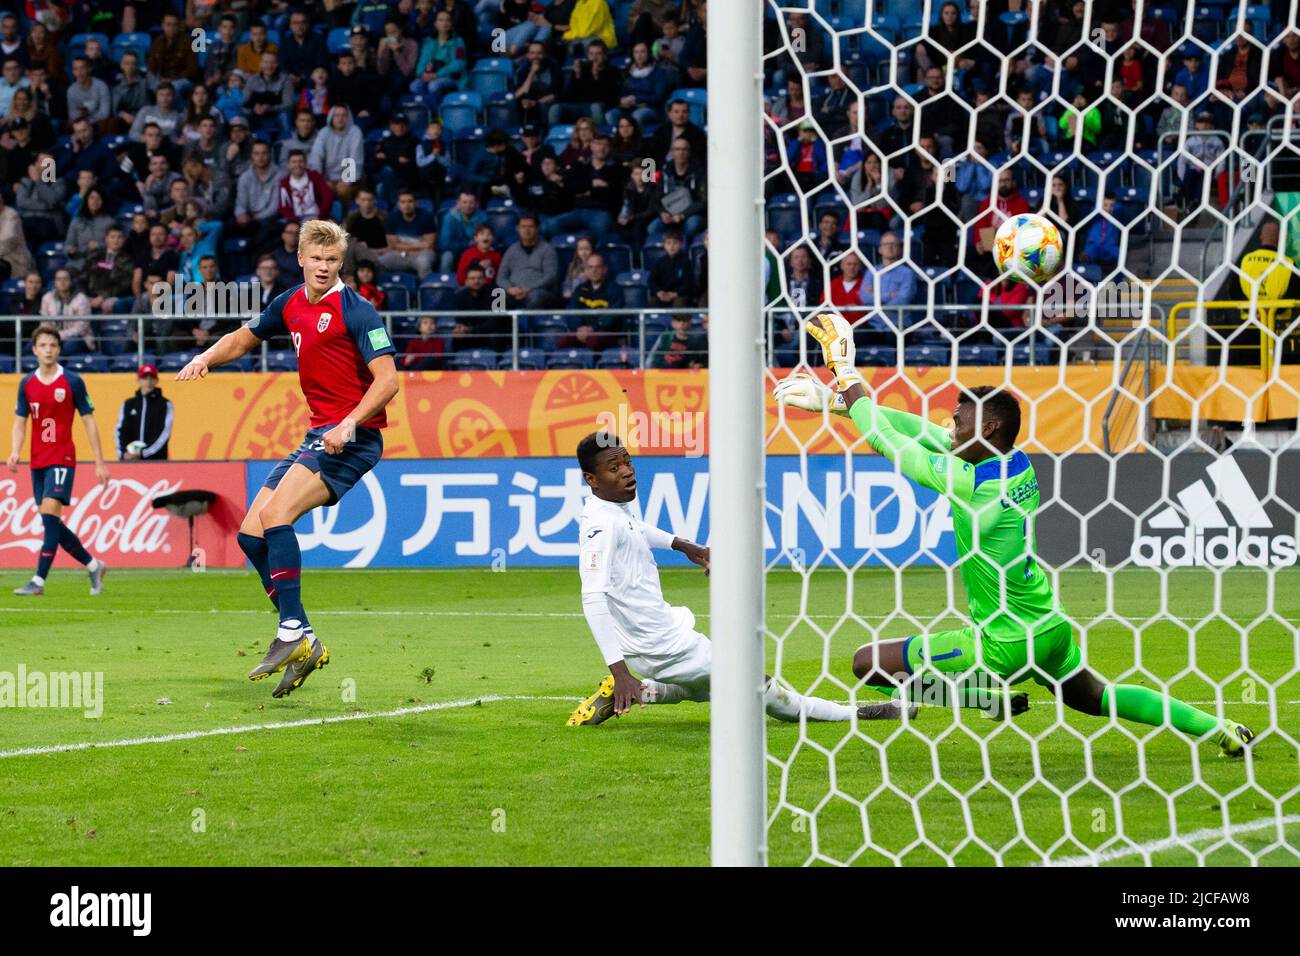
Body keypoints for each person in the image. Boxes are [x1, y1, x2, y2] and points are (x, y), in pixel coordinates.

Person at [775, 316, 1255, 757]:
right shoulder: (1013, 460)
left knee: (869, 665)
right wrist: (833, 404)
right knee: (1098, 697)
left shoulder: (973, 481)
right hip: (1049, 627)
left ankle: (982, 697)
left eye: (960, 420)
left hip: (1001, 643)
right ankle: (1219, 729)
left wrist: (844, 367)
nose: (951, 425)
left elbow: (893, 444)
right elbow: (917, 428)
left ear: (987, 426)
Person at [175, 219, 399, 699]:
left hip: (354, 439)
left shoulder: (357, 310)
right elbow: (242, 337)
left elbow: (388, 381)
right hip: (319, 433)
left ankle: (292, 631)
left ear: (342, 263)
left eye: (333, 260)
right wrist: (204, 359)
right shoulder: (290, 304)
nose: (324, 267)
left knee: (276, 515)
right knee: (252, 534)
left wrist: (349, 423)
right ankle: (308, 641)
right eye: (316, 259)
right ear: (300, 258)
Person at [566, 431, 907, 725]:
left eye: (627, 461)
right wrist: (619, 669)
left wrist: (683, 545)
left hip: (659, 635)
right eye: (614, 468)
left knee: (708, 690)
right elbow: (592, 598)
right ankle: (855, 714)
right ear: (591, 479)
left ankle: (632, 693)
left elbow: (635, 528)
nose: (626, 472)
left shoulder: (613, 509)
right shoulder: (599, 526)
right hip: (661, 648)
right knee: (760, 689)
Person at [8, 324, 110, 597]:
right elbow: (20, 421)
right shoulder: (27, 383)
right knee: (51, 522)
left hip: (62, 458)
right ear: (34, 350)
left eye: (53, 345)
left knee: (51, 515)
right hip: (37, 461)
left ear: (59, 349)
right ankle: (93, 564)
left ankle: (38, 581)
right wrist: (15, 450)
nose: (48, 350)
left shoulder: (73, 381)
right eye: (43, 345)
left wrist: (100, 462)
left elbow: (89, 421)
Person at [115, 364, 174, 461]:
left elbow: (164, 433)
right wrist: (123, 453)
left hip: (157, 460)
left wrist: (143, 453)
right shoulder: (128, 404)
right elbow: (120, 430)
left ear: (156, 381)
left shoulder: (165, 404)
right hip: (130, 461)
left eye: (152, 378)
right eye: (144, 378)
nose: (148, 382)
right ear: (138, 381)